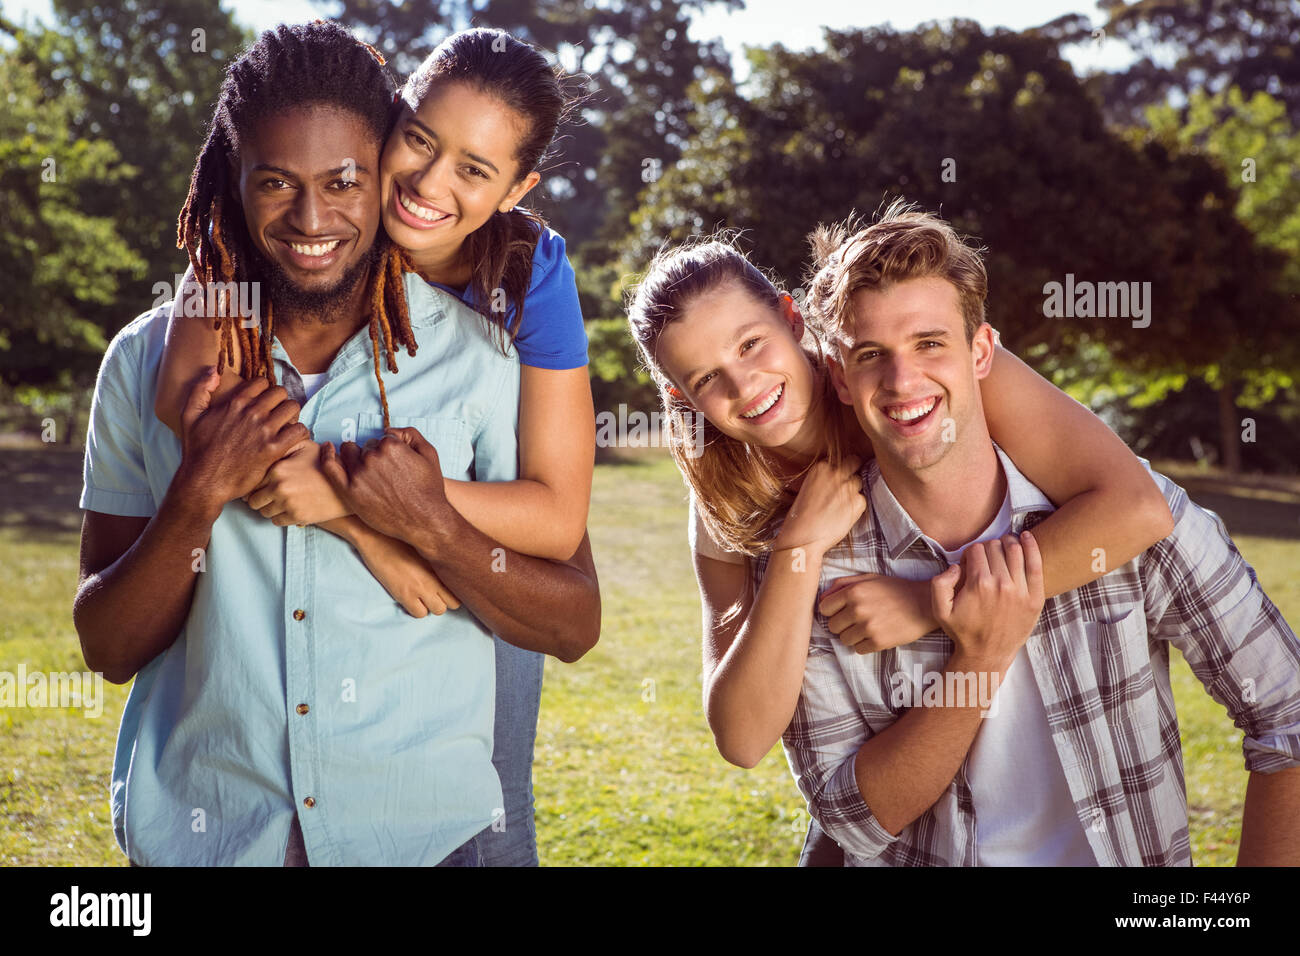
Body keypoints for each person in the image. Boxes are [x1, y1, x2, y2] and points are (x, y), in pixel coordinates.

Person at [73, 21, 599, 867]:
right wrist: (226, 494)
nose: (428, 182)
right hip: (210, 836)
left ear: (513, 187)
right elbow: (185, 407)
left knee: (505, 804)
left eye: (474, 169)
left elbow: (562, 542)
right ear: (395, 123)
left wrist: (400, 516)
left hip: (425, 804)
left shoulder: (521, 291)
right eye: (421, 144)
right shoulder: (194, 314)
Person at [626, 229, 1176, 865]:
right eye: (706, 377)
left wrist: (925, 603)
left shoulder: (910, 375)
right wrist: (798, 548)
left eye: (751, 344)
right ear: (679, 396)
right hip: (870, 820)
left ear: (789, 314)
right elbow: (744, 736)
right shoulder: (729, 504)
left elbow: (1134, 507)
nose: (746, 386)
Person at [778, 201, 1300, 865]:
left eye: (930, 344)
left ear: (981, 350)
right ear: (839, 380)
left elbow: (1287, 709)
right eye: (871, 354)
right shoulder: (822, 570)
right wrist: (977, 656)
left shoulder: (1128, 521)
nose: (903, 380)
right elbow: (852, 822)